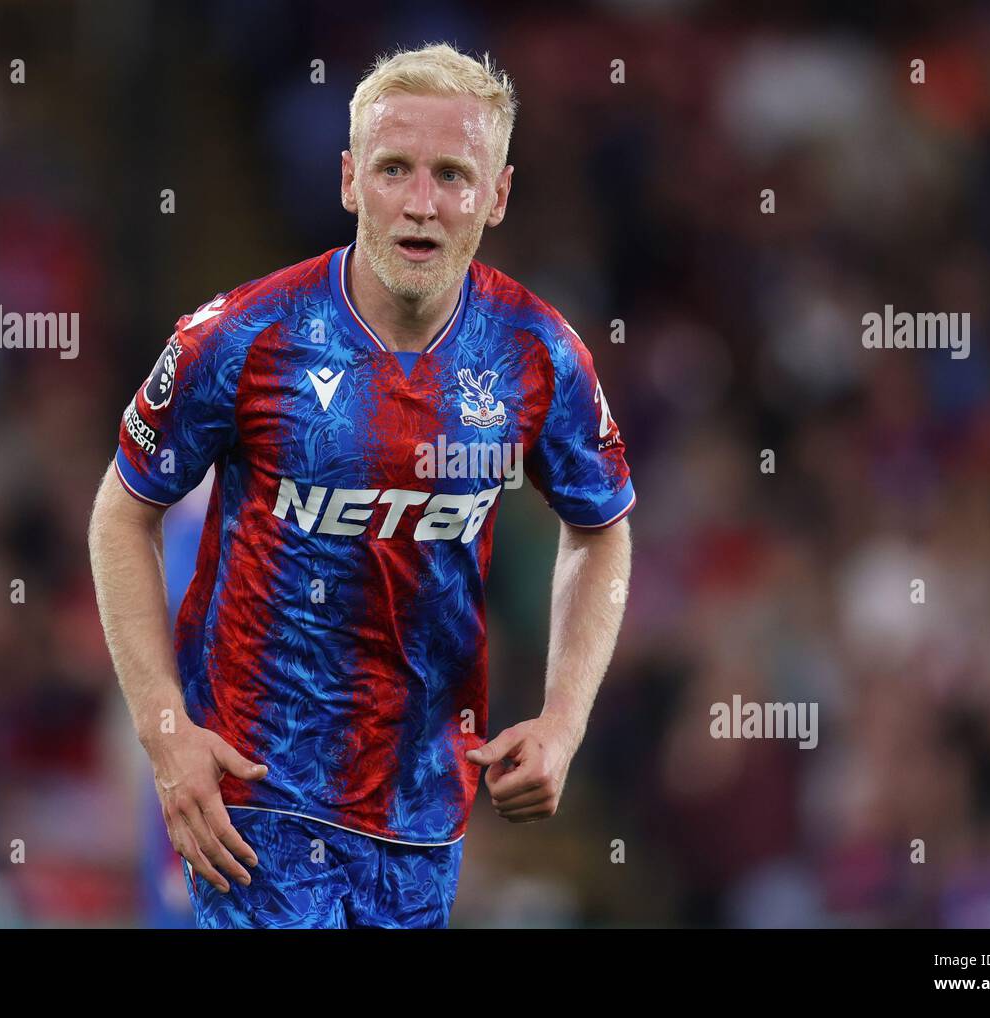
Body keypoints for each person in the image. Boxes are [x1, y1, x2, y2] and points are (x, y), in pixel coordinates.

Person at [88, 42, 634, 929]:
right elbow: (122, 513)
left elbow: (601, 526)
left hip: (422, 815)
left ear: (496, 196)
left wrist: (563, 720)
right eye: (393, 170)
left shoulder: (539, 355)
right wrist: (164, 732)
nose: (420, 204)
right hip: (254, 801)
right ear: (350, 180)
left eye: (452, 175)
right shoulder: (240, 337)